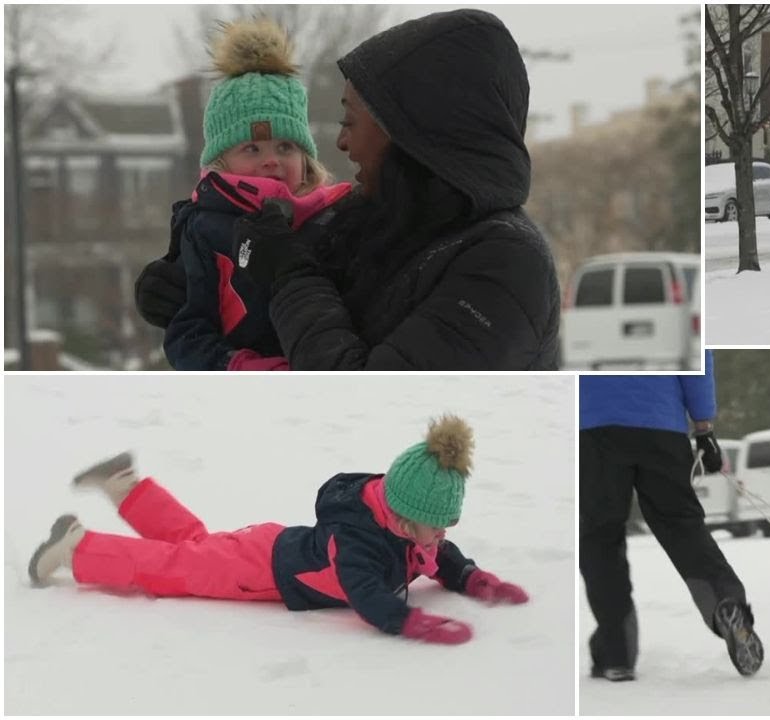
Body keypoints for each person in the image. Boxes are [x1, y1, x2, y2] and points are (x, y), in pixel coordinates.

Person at [135, 9, 560, 370]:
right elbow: (237, 283)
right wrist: (175, 287)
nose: (341, 144)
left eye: (350, 121)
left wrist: (289, 276)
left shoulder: (503, 264)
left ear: (414, 130)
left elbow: (363, 392)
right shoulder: (383, 219)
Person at [28, 416, 529, 643]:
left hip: (269, 546)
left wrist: (474, 579)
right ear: (401, 520)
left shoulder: (406, 527)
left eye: (449, 526)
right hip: (262, 571)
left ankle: (125, 486)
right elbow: (365, 594)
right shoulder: (357, 543)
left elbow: (441, 558)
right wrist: (411, 623)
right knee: (175, 568)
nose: (443, 537)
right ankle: (78, 550)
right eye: (437, 528)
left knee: (195, 547)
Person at [164, 17, 353, 371]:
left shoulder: (333, 216)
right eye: (252, 149)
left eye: (285, 147)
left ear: (305, 155)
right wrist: (237, 367)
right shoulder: (206, 227)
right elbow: (187, 331)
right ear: (222, 160)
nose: (272, 161)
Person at [578, 350, 763, 681]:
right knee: (682, 527)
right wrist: (703, 424)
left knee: (600, 538)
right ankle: (726, 602)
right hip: (662, 424)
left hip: (593, 424)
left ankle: (616, 652)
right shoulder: (681, 296)